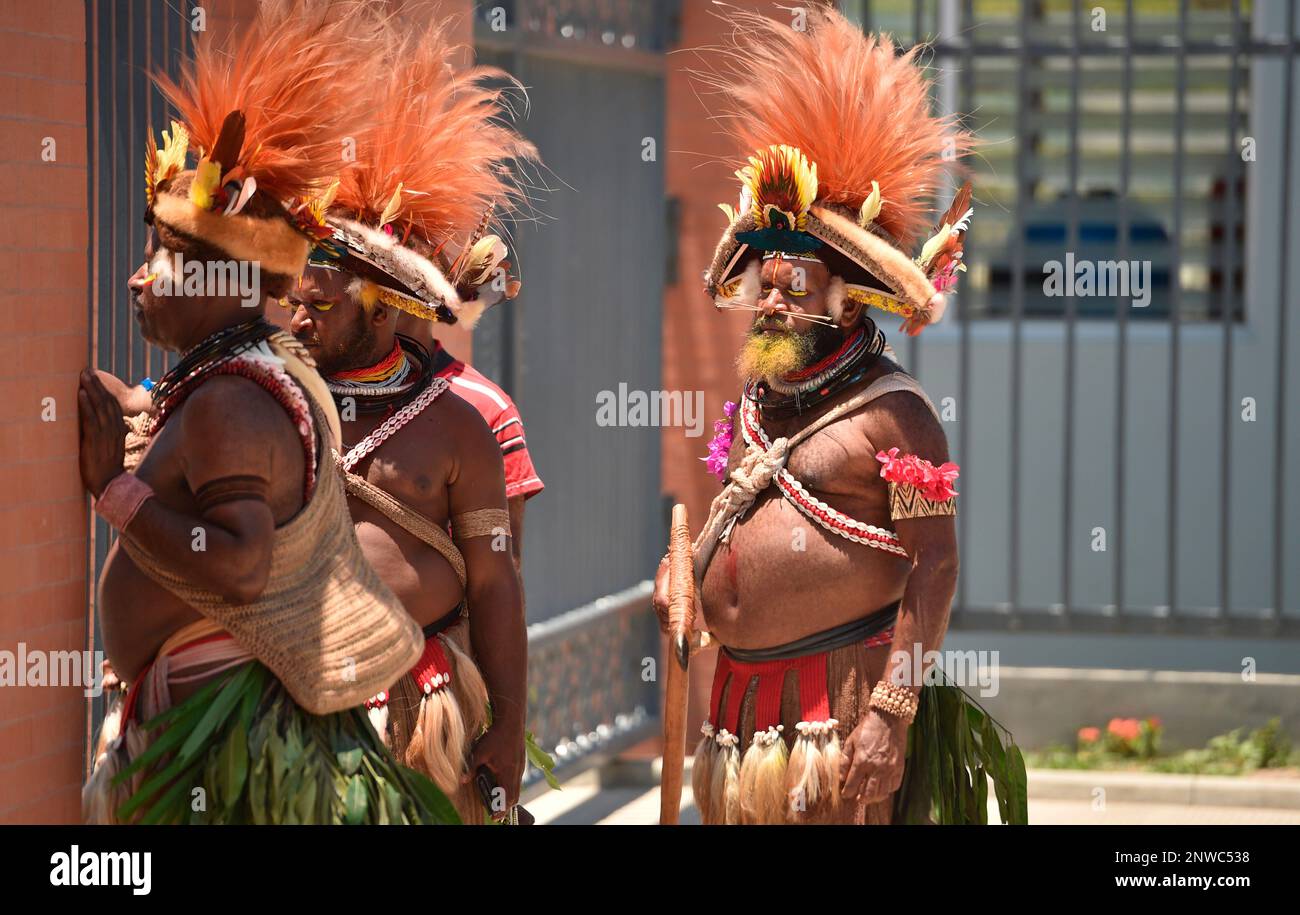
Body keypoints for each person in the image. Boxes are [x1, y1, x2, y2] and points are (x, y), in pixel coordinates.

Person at [80, 0, 449, 825]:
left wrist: (112, 488)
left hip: (228, 745)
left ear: (229, 283)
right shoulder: (242, 377)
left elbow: (241, 562)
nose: (141, 279)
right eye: (148, 254)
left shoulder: (235, 401)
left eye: (166, 259)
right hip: (211, 724)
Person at [654, 7, 982, 825]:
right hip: (737, 713)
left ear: (844, 299)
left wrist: (890, 714)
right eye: (764, 282)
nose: (768, 301)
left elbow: (934, 567)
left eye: (791, 286)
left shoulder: (896, 416)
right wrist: (686, 582)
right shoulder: (762, 404)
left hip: (836, 711)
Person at [287, 19, 536, 823]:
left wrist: (507, 725)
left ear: (386, 303)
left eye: (323, 295)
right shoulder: (270, 403)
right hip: (286, 701)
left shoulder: (464, 423)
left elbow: (496, 582)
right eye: (295, 291)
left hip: (417, 708)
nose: (300, 309)